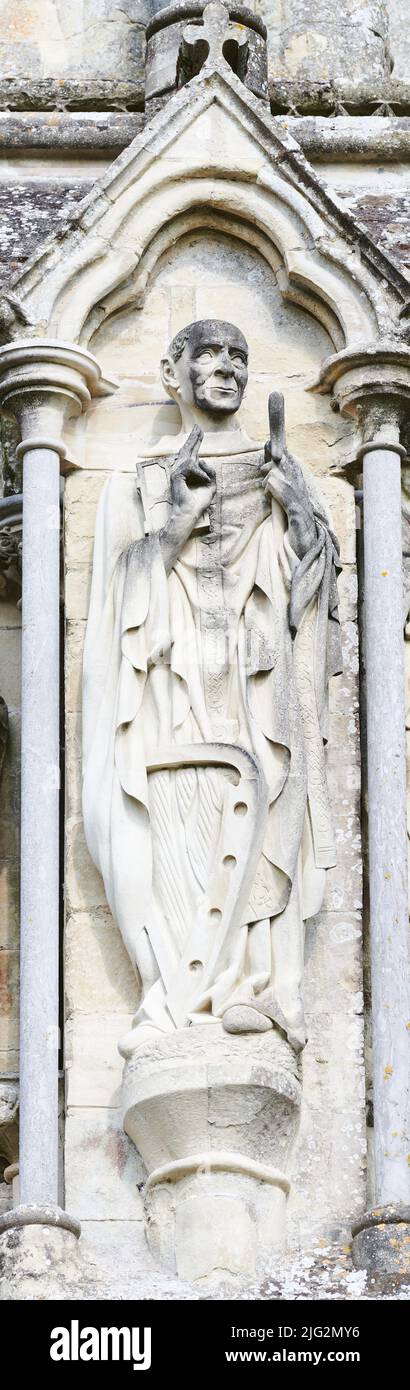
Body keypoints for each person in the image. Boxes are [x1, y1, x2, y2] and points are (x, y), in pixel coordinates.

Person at [82, 319, 342, 1057]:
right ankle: (174, 988)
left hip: (259, 683)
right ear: (174, 371)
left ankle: (262, 987)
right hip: (169, 682)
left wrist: (296, 512)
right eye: (211, 355)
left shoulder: (280, 468)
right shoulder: (141, 474)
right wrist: (178, 523)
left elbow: (313, 592)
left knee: (269, 805)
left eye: (240, 357)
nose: (227, 367)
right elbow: (115, 597)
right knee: (169, 819)